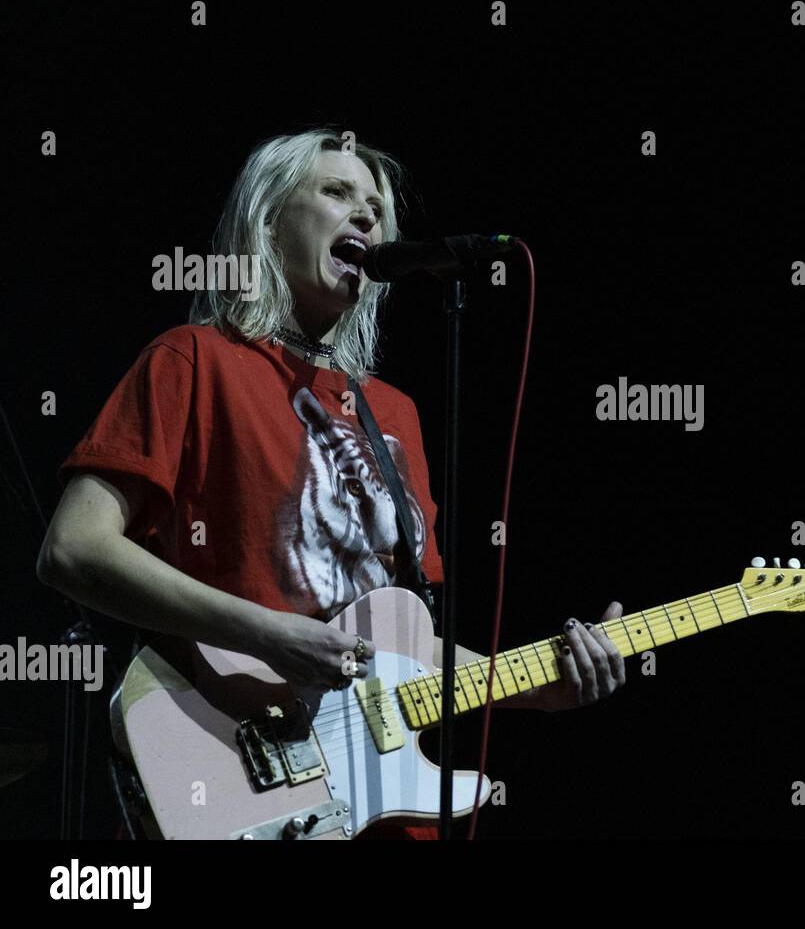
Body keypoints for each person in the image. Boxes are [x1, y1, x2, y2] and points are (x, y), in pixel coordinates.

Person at [35, 129, 626, 839]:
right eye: (337, 192)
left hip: (391, 815)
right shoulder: (193, 361)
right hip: (244, 773)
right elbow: (72, 549)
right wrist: (266, 633)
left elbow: (411, 649)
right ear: (268, 218)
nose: (368, 216)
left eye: (377, 206)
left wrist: (540, 688)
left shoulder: (394, 413)